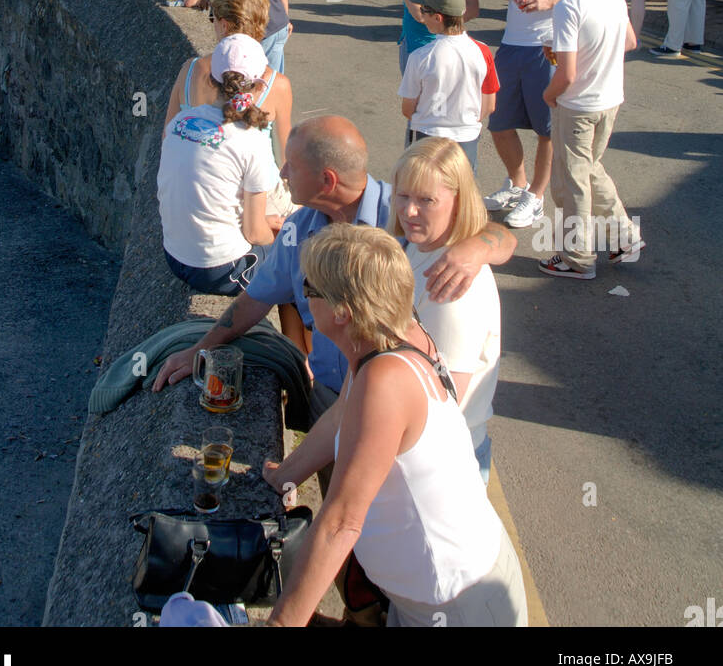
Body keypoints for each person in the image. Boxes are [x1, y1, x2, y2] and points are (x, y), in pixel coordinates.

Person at [152, 117, 517, 423]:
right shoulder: (298, 230)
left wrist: (473, 250)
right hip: (329, 400)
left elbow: (494, 232)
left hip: (396, 414)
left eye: (291, 165)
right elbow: (254, 301)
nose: (282, 173)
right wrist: (199, 350)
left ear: (327, 180)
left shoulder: (407, 212)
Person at [261, 223, 527, 628]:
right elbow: (339, 417)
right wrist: (285, 475)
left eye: (309, 288)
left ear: (341, 312)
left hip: (457, 606)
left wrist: (282, 624)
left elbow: (341, 522)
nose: (302, 298)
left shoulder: (385, 381)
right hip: (438, 590)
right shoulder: (388, 336)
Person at [527, 0, 639, 279]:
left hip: (577, 105)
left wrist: (549, 95)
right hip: (609, 98)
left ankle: (577, 258)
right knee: (590, 168)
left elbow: (568, 74)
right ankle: (624, 237)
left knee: (572, 181)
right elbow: (630, 42)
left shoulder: (569, 4)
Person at [485, 0, 596, 229]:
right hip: (512, 43)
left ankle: (535, 196)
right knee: (498, 121)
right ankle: (517, 183)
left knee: (547, 130)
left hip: (550, 48)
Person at [389, 138, 501, 479]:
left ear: (458, 201)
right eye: (403, 196)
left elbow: (443, 403)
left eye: (426, 200)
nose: (409, 211)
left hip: (441, 465)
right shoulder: (421, 247)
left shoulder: (452, 285)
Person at [158, 33, 281, 295]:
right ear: (260, 86)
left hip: (174, 257)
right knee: (298, 250)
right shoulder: (252, 139)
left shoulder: (181, 122)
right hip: (220, 271)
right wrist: (276, 235)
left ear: (210, 79)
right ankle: (289, 336)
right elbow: (255, 233)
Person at [165, 0, 293, 164]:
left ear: (223, 24)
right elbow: (285, 162)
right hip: (252, 189)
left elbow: (168, 140)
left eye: (212, 18)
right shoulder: (277, 85)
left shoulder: (190, 71)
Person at [398, 0, 494, 172]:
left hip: (427, 137)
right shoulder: (483, 51)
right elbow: (489, 105)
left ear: (438, 17)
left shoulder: (421, 56)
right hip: (467, 138)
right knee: (461, 194)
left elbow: (408, 108)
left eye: (424, 11)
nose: (422, 16)